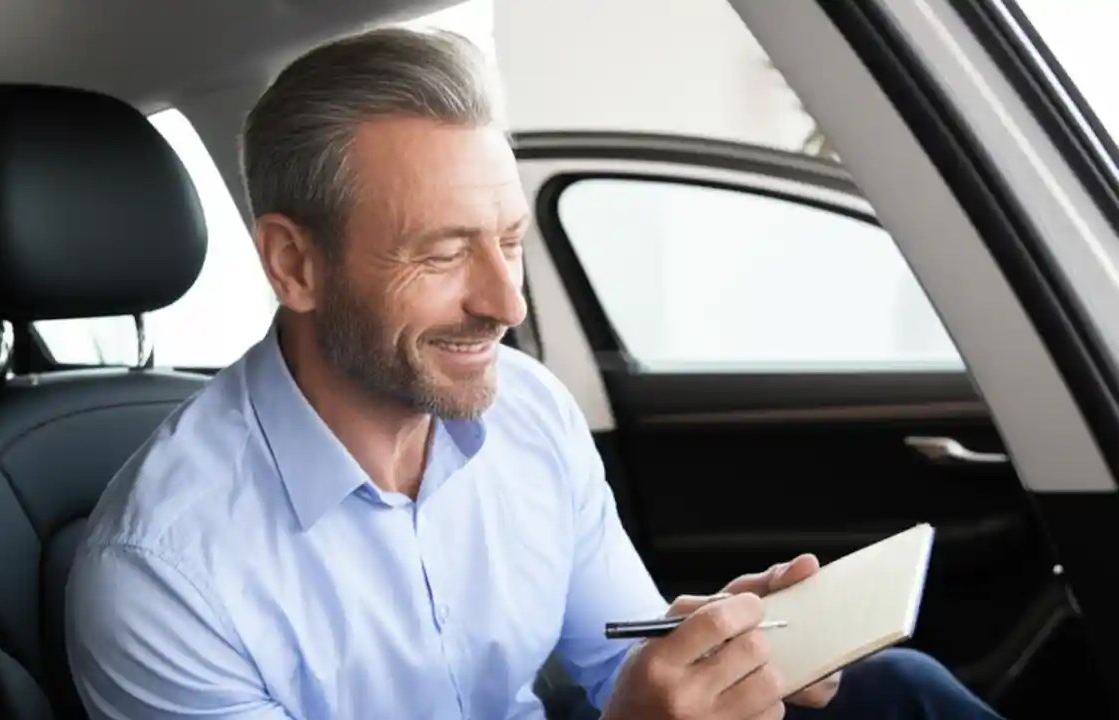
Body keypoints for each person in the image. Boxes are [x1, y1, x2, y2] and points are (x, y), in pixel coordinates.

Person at [64, 27, 1006, 720]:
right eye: (441, 255)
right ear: (296, 266)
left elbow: (612, 667)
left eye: (507, 242)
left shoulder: (529, 416)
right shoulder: (161, 575)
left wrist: (711, 659)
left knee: (904, 693)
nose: (505, 304)